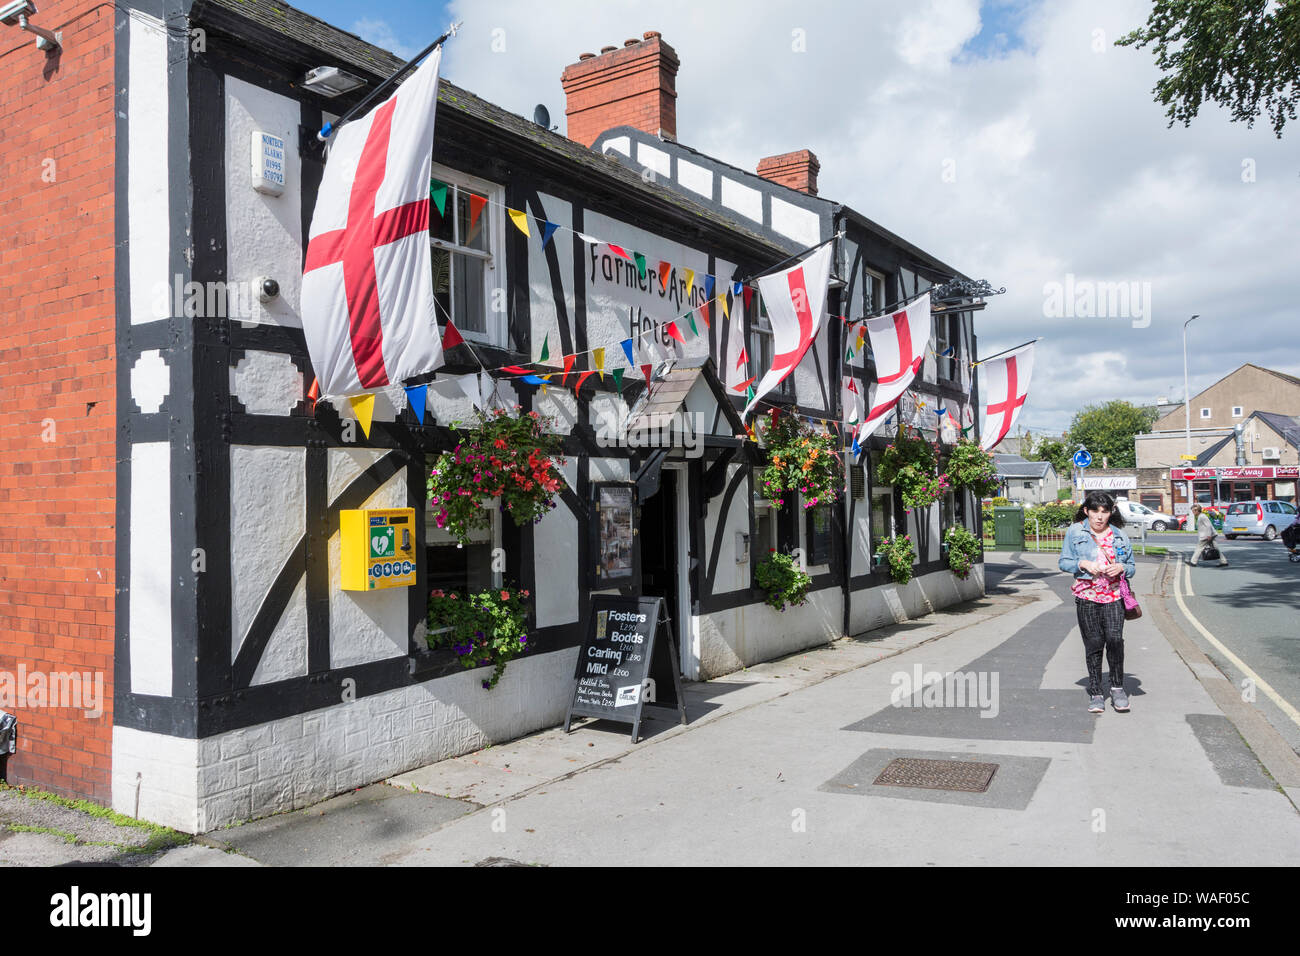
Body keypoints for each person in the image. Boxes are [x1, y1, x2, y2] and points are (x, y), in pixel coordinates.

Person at [1059, 491, 1137, 714]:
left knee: (1114, 640)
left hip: (1114, 596)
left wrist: (1121, 567)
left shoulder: (1119, 535)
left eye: (1104, 511)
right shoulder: (1075, 531)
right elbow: (1064, 562)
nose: (1099, 517)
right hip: (1087, 596)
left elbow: (1131, 565)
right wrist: (1082, 563)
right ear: (1086, 511)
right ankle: (1095, 692)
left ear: (1111, 512)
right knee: (1093, 644)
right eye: (1095, 511)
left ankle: (1117, 688)